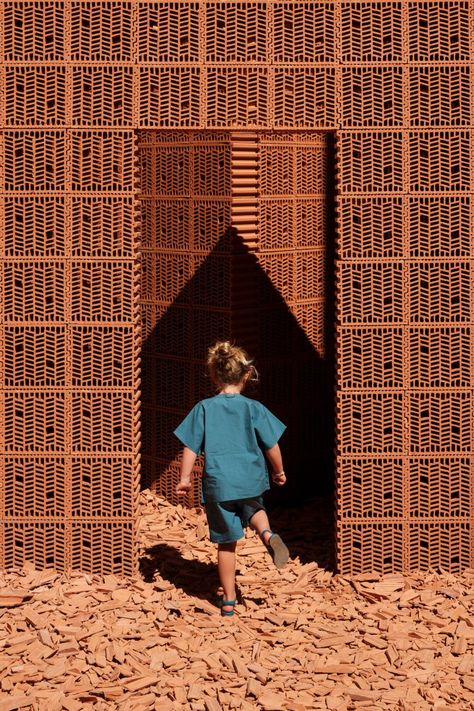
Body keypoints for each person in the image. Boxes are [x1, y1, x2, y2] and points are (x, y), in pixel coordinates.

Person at [173, 341, 289, 617]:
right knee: (255, 510)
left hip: (220, 485)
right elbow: (271, 444)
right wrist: (279, 471)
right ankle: (267, 533)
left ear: (214, 375)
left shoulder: (204, 408)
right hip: (250, 479)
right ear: (246, 376)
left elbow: (190, 446)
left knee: (227, 544)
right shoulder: (253, 408)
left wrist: (185, 477)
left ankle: (228, 599)